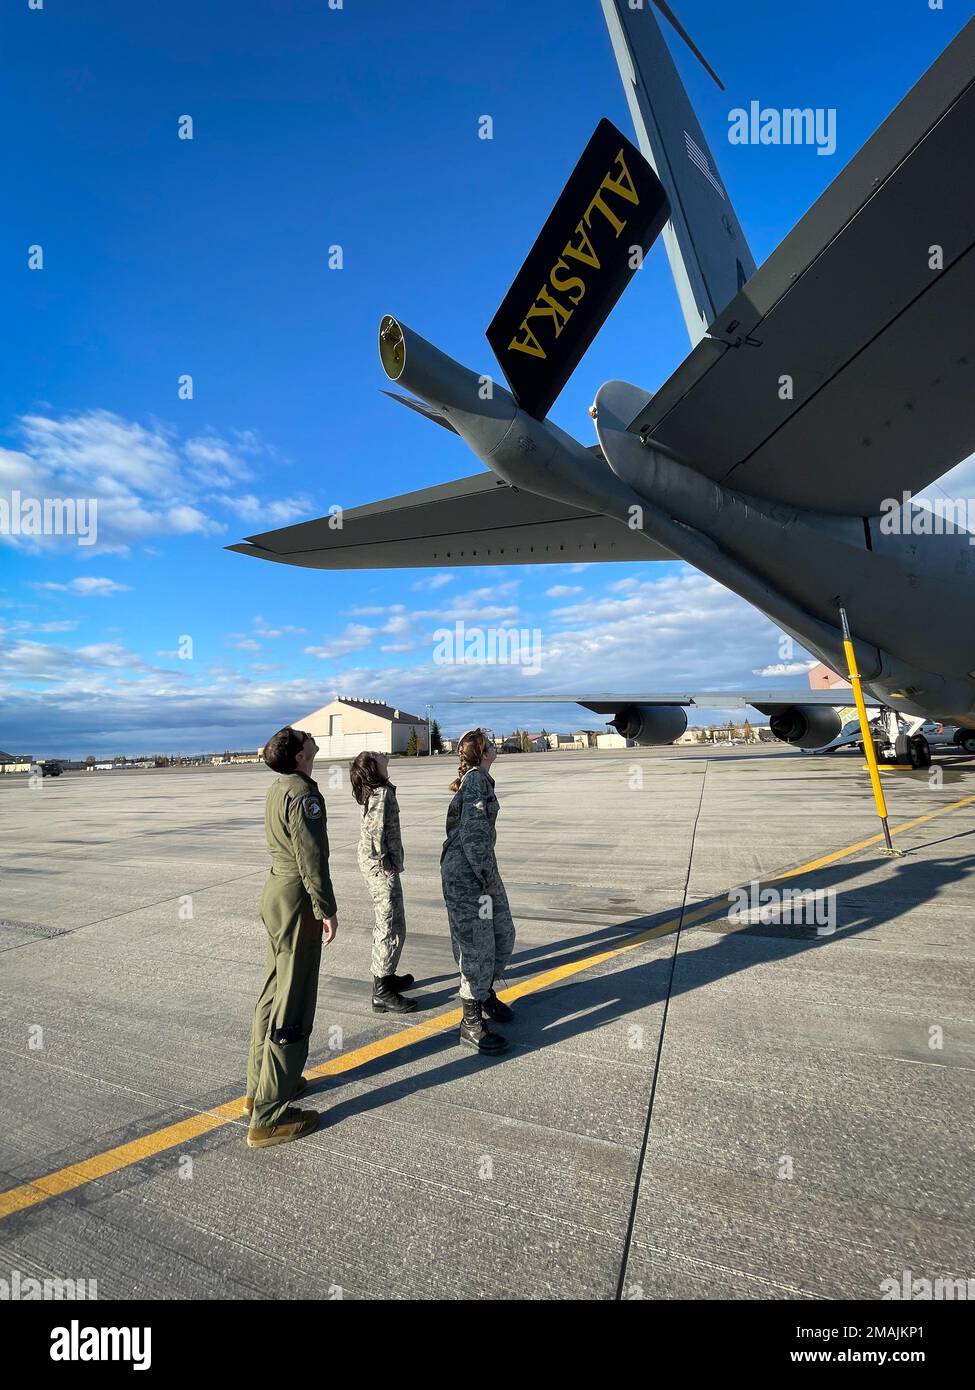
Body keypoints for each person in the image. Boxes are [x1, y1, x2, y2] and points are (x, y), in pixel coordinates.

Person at [244, 726, 338, 1149]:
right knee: (294, 999)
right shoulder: (304, 796)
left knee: (272, 992)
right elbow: (312, 859)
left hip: (275, 894)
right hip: (297, 899)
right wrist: (326, 909)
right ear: (300, 755)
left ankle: (260, 1088)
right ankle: (269, 1116)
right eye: (305, 736)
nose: (310, 735)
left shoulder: (278, 788)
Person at [440, 729, 515, 1054]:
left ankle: (483, 993)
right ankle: (470, 1022)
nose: (495, 746)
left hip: (481, 870)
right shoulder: (475, 782)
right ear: (483, 752)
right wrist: (486, 878)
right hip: (467, 875)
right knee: (477, 945)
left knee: (502, 933)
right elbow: (472, 835)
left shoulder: (480, 779)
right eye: (491, 744)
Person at [350, 751, 417, 1014]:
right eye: (377, 755)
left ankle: (387, 975)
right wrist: (383, 867)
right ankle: (381, 991)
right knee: (389, 924)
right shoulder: (381, 795)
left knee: (396, 922)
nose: (383, 754)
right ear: (373, 768)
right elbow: (375, 833)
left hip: (382, 864)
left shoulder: (381, 789)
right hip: (381, 867)